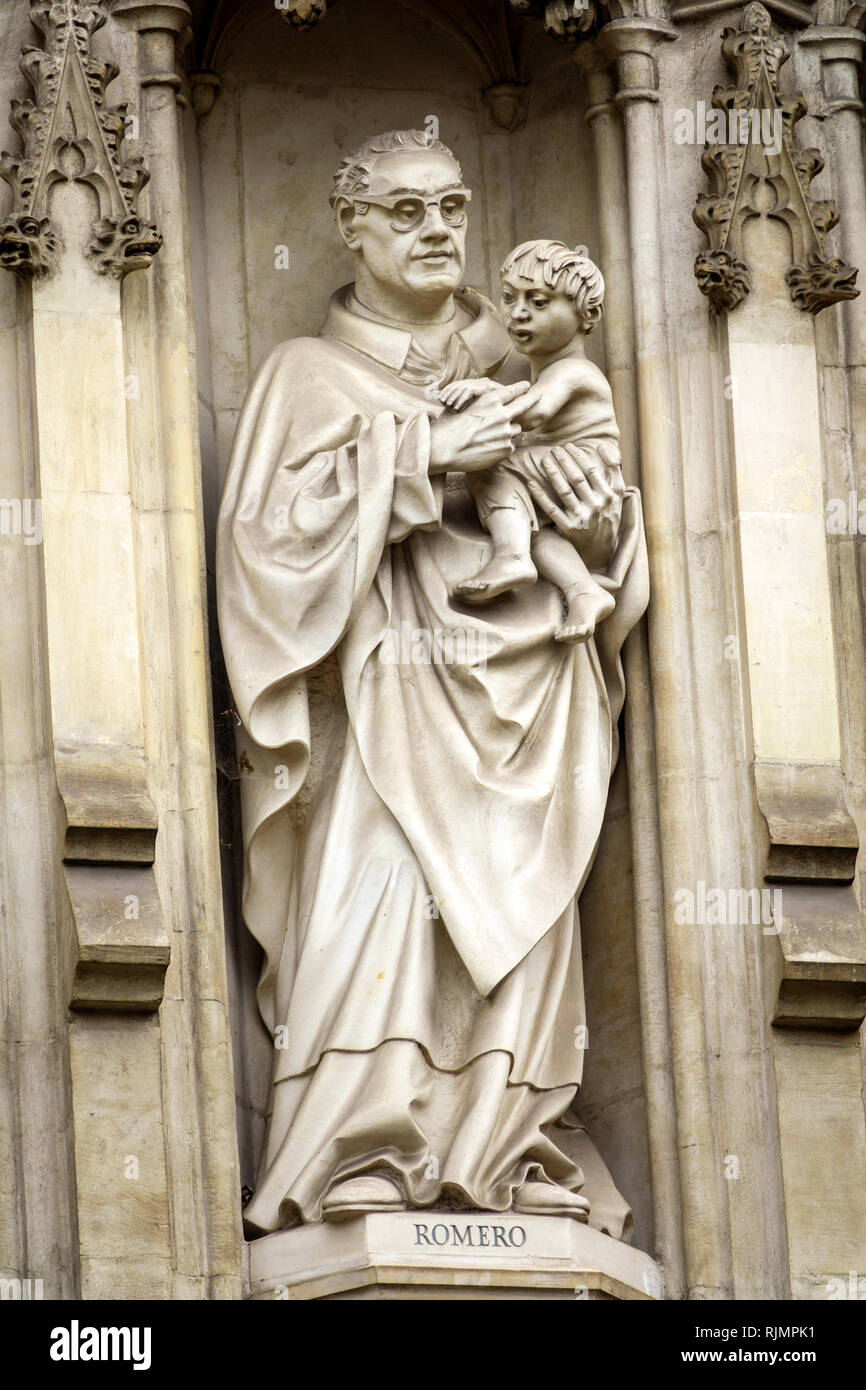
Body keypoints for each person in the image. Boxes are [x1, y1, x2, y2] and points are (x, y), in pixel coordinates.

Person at [216, 129, 647, 1234]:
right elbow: (264, 554)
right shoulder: (303, 378)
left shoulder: (524, 377)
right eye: (405, 212)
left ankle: (507, 1151)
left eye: (451, 208)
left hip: (525, 697)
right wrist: (417, 460)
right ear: (351, 229)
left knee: (520, 905)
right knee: (381, 904)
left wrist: (595, 523)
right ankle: (360, 1150)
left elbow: (596, 530)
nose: (436, 231)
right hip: (380, 702)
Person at [441, 240, 620, 643]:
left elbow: (533, 413)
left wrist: (482, 399)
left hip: (582, 467)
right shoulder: (546, 373)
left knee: (490, 461)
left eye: (538, 302)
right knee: (541, 533)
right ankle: (583, 590)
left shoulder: (574, 371)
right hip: (558, 476)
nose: (518, 313)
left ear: (586, 314)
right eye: (508, 298)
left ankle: (512, 556)